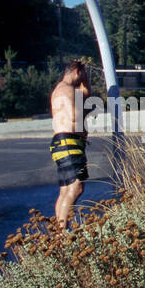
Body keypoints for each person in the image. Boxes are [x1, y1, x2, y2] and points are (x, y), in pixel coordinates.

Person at [50, 60, 91, 228]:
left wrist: (85, 81)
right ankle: (62, 234)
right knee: (76, 188)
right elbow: (77, 114)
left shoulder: (59, 90)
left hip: (60, 142)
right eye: (84, 73)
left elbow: (86, 95)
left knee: (66, 190)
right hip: (69, 142)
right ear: (77, 71)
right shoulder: (69, 91)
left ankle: (59, 232)